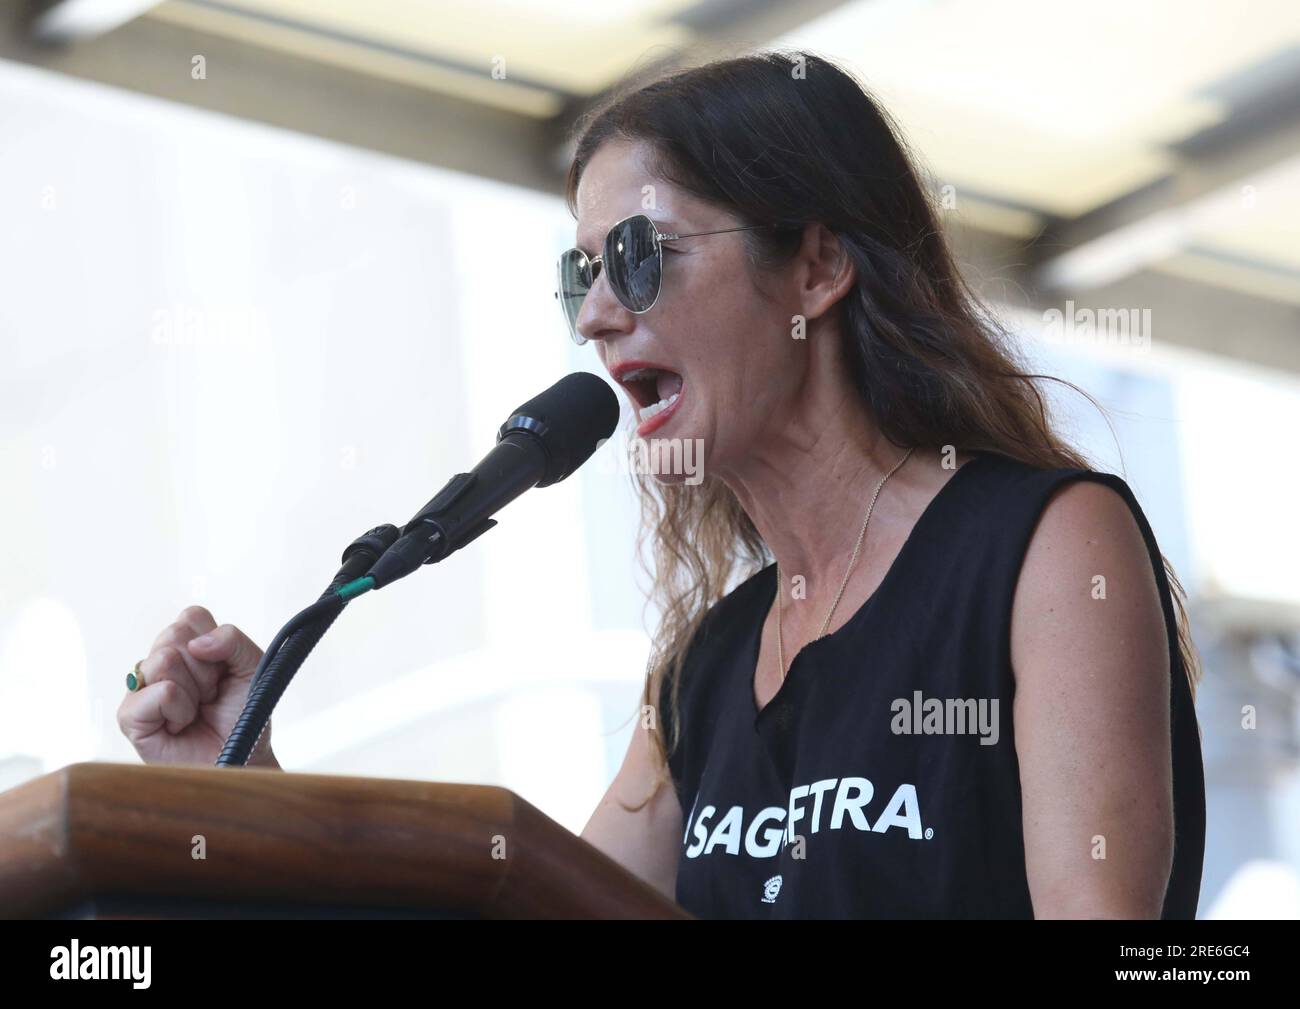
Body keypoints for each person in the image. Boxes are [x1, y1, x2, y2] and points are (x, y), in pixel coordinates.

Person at [119, 49, 1205, 919]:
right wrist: (255, 779)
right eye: (578, 275)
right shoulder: (705, 664)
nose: (595, 315)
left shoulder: (1044, 545)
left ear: (818, 268)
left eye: (638, 254)